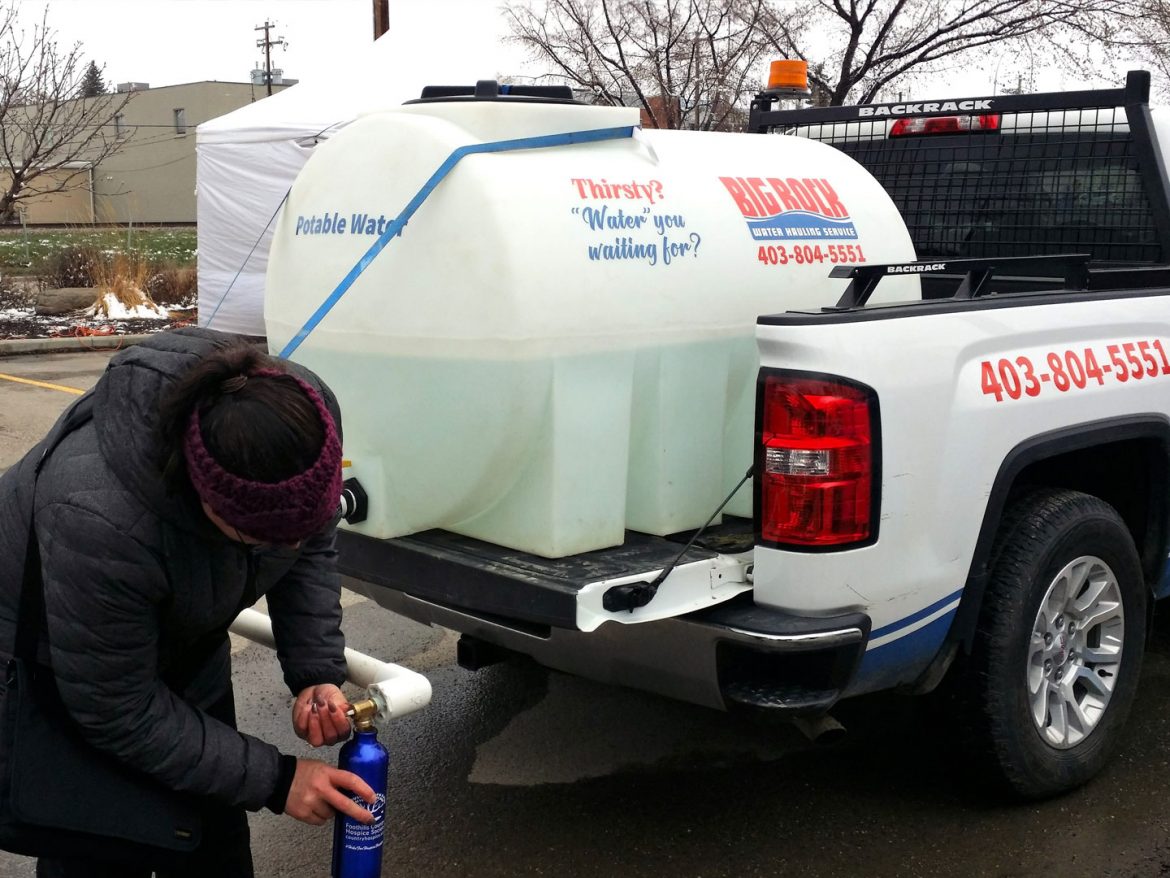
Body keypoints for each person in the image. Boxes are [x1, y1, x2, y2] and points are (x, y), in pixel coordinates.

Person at [0, 327, 375, 877]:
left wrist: (315, 670)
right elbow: (117, 709)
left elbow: (310, 542)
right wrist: (277, 780)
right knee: (100, 841)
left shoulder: (302, 417)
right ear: (204, 500)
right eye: (265, 540)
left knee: (212, 835)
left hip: (177, 631)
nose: (290, 548)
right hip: (61, 655)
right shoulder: (98, 516)